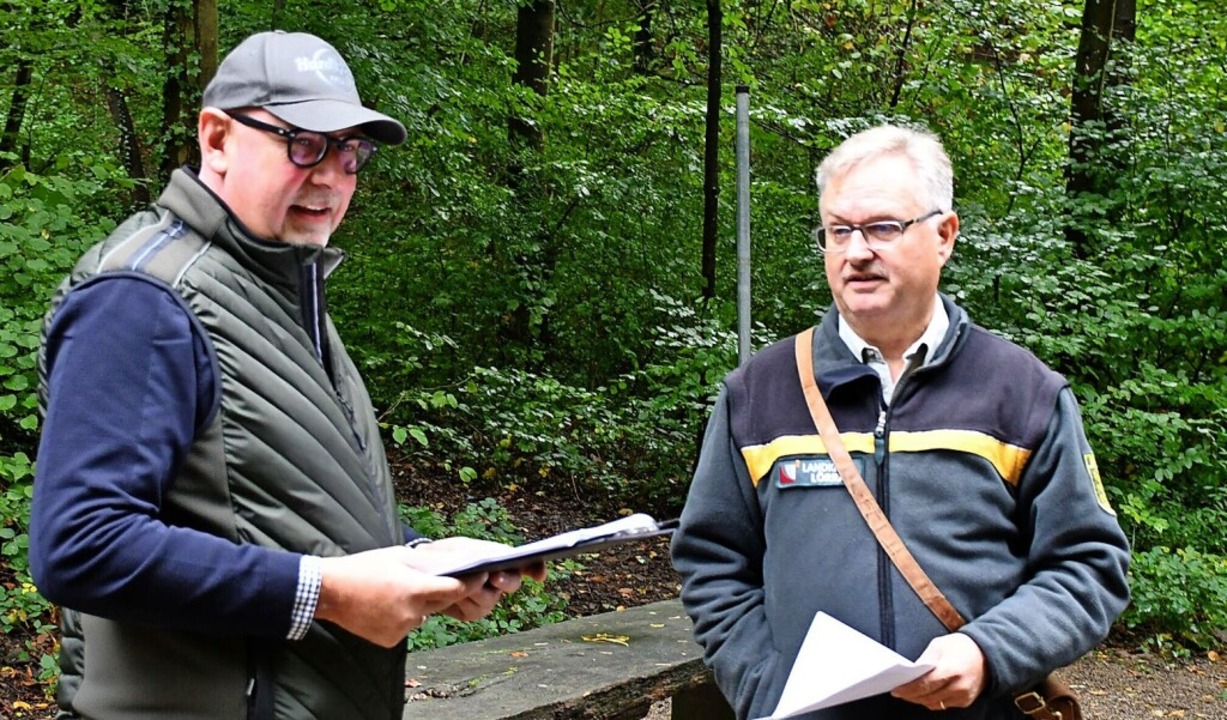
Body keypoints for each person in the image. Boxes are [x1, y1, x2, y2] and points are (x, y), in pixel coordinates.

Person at [29, 30, 543, 719]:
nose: (331, 176)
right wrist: (326, 592)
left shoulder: (275, 285)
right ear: (216, 139)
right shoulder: (140, 299)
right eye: (303, 145)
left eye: (351, 154)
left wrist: (423, 563)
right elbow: (80, 545)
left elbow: (269, 512)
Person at [670, 124, 1130, 719]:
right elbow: (713, 563)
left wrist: (989, 651)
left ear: (944, 235)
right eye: (838, 231)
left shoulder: (1023, 391)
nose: (856, 251)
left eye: (883, 227)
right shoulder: (759, 392)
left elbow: (1088, 562)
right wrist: (766, 690)